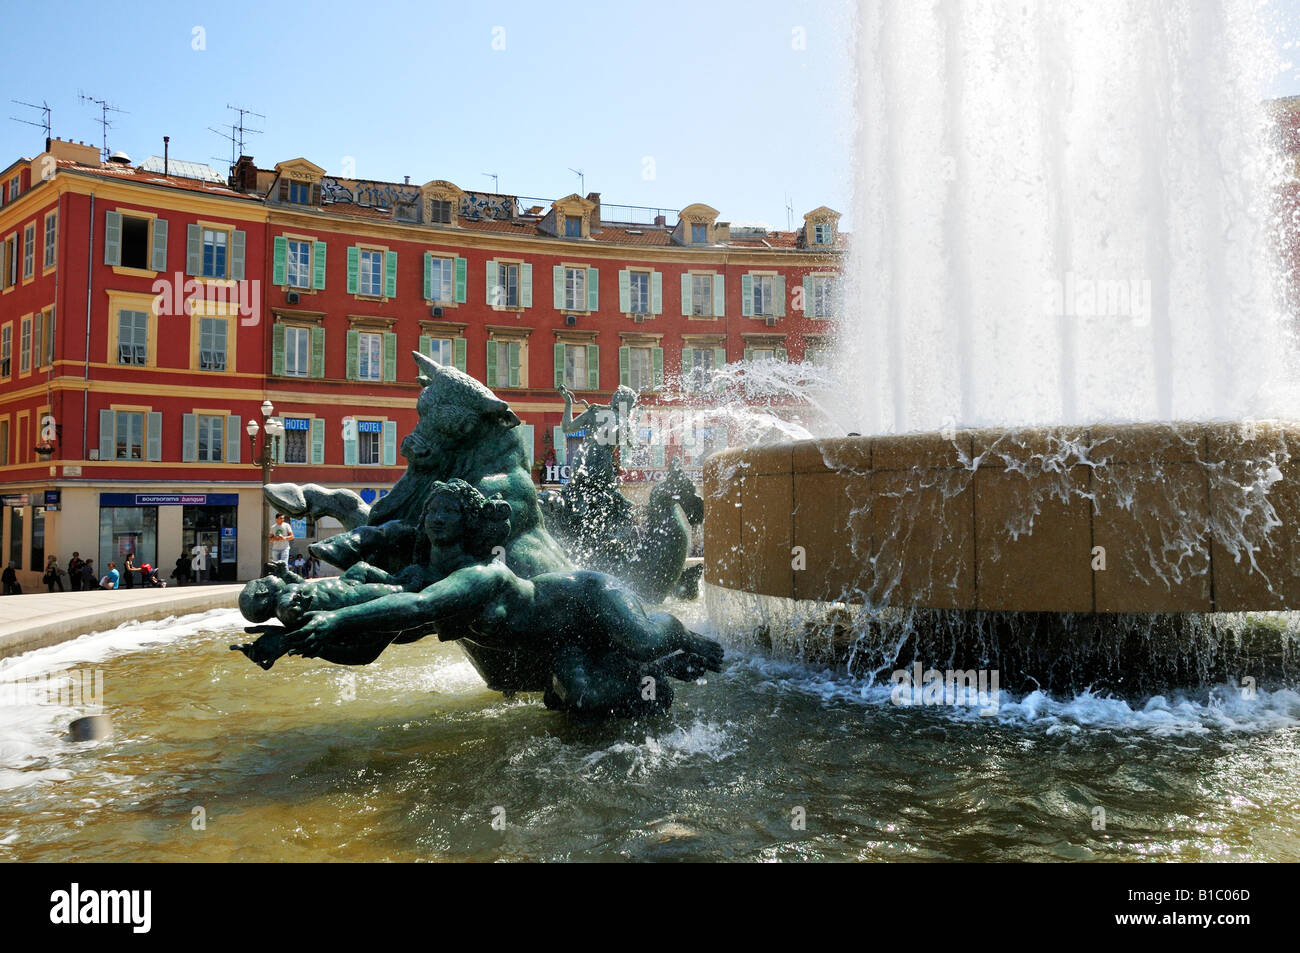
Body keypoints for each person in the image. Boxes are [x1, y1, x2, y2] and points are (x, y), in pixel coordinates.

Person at [235, 480, 724, 714]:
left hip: (589, 599)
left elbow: (420, 609)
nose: (440, 517)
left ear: (469, 523)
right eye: (434, 510)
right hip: (557, 640)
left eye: (451, 510)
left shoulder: (479, 574)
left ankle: (683, 636)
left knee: (641, 638)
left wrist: (335, 622)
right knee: (586, 700)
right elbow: (382, 631)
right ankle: (650, 679)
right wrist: (296, 639)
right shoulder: (422, 572)